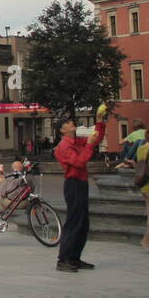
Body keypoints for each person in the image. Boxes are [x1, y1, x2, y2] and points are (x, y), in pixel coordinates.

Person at [53, 114, 103, 273]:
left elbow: (97, 138)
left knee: (83, 222)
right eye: (67, 122)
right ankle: (63, 259)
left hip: (80, 183)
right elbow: (80, 162)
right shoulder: (64, 146)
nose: (71, 122)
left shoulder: (75, 141)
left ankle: (74, 257)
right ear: (62, 130)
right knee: (74, 222)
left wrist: (100, 121)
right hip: (73, 184)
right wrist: (89, 145)